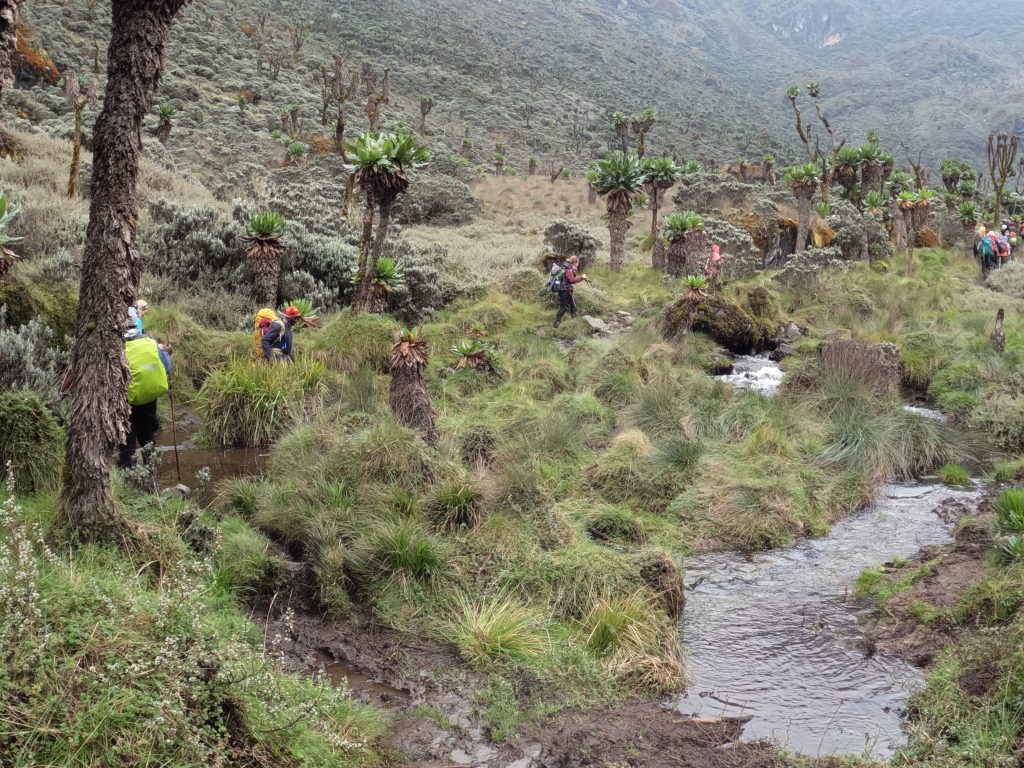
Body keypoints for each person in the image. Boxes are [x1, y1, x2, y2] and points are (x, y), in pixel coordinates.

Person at [119, 319, 171, 470]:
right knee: (147, 437)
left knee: (127, 442)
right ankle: (151, 474)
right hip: (149, 397)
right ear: (137, 326)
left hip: (127, 400)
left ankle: (127, 478)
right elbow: (167, 367)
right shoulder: (150, 341)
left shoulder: (118, 345)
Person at [552, 255, 587, 327]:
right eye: (578, 263)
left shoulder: (567, 267)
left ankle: (575, 321)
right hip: (564, 291)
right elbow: (572, 280)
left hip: (566, 290)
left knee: (572, 305)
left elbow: (571, 278)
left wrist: (581, 277)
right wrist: (581, 278)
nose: (578, 265)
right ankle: (556, 323)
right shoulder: (569, 269)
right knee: (564, 307)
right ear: (575, 263)